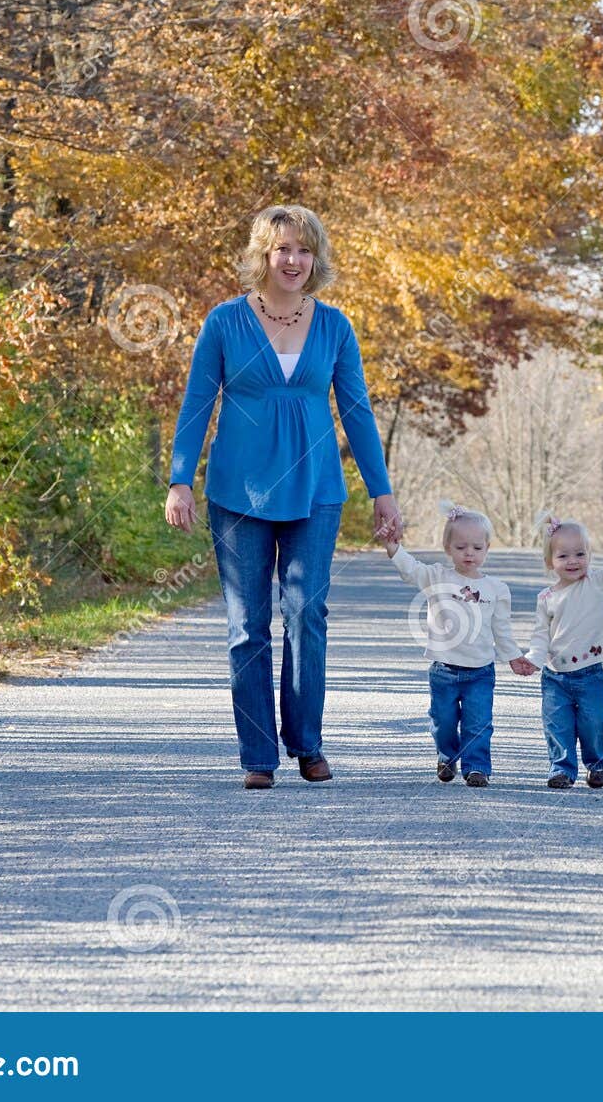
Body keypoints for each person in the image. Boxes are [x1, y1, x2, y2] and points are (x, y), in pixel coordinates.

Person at [165, 203, 403, 791]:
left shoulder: (333, 326)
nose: (293, 260)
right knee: (247, 625)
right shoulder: (224, 322)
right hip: (236, 492)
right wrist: (179, 478)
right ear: (263, 256)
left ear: (314, 258)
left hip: (316, 489)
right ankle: (257, 755)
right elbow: (198, 403)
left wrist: (382, 492)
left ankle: (307, 743)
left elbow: (356, 411)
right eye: (282, 249)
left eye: (303, 250)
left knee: (306, 615)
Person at [383, 500, 536, 788]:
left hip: (480, 671)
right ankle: (446, 758)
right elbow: (410, 569)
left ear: (487, 549)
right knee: (443, 721)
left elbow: (501, 629)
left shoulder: (497, 589)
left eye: (477, 548)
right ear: (448, 548)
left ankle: (477, 767)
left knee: (478, 724)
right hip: (444, 671)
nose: (470, 553)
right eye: (461, 547)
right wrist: (393, 547)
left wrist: (514, 657)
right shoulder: (437, 577)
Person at [520, 513, 603, 790]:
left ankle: (597, 763)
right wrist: (533, 659)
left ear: (589, 556)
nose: (573, 561)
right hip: (555, 677)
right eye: (563, 556)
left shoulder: (597, 582)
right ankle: (561, 769)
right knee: (557, 726)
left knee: (593, 724)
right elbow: (540, 636)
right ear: (550, 562)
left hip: (590, 674)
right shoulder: (546, 598)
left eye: (580, 554)